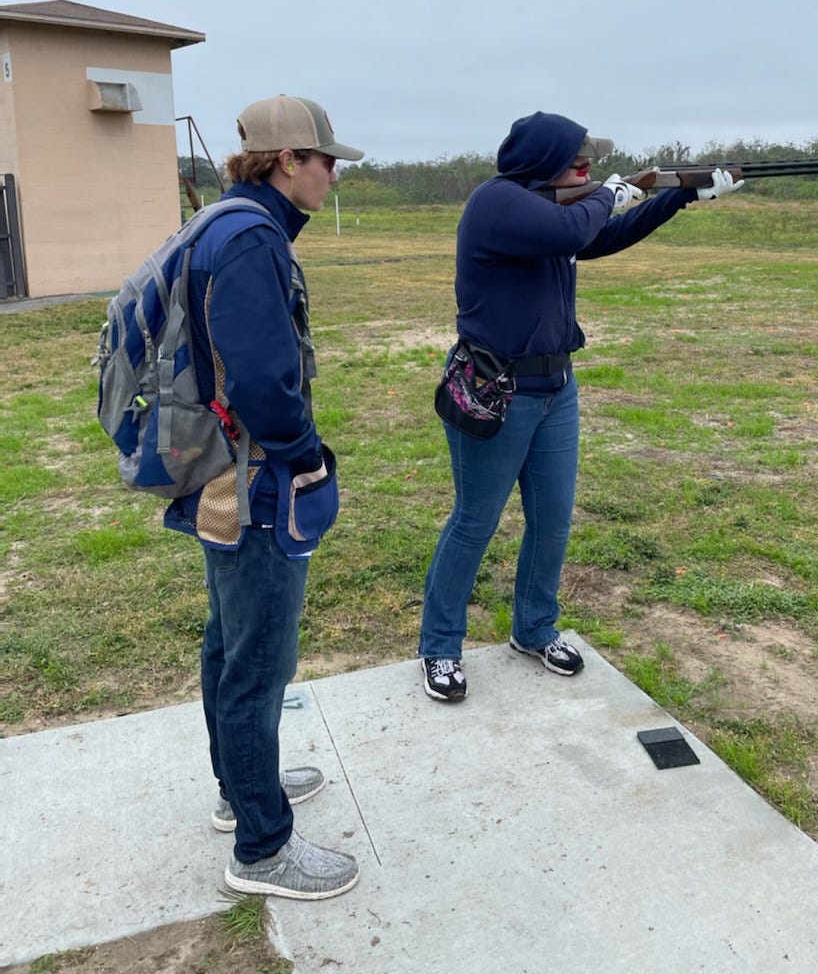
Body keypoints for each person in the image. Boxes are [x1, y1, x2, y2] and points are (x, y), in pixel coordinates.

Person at [418, 110, 742, 702]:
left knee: (552, 522)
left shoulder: (557, 212)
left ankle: (535, 629)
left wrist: (682, 197)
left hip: (555, 389)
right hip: (498, 389)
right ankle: (439, 647)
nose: (588, 166)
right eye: (577, 158)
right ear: (543, 160)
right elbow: (576, 230)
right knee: (474, 522)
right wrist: (614, 193)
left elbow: (602, 236)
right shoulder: (499, 203)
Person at [163, 94, 366, 899]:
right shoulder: (251, 241)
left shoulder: (227, 224)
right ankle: (262, 848)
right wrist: (307, 458)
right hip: (250, 480)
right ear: (289, 161)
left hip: (219, 469)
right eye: (327, 160)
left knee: (229, 645)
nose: (333, 174)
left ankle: (238, 787)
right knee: (258, 663)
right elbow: (260, 379)